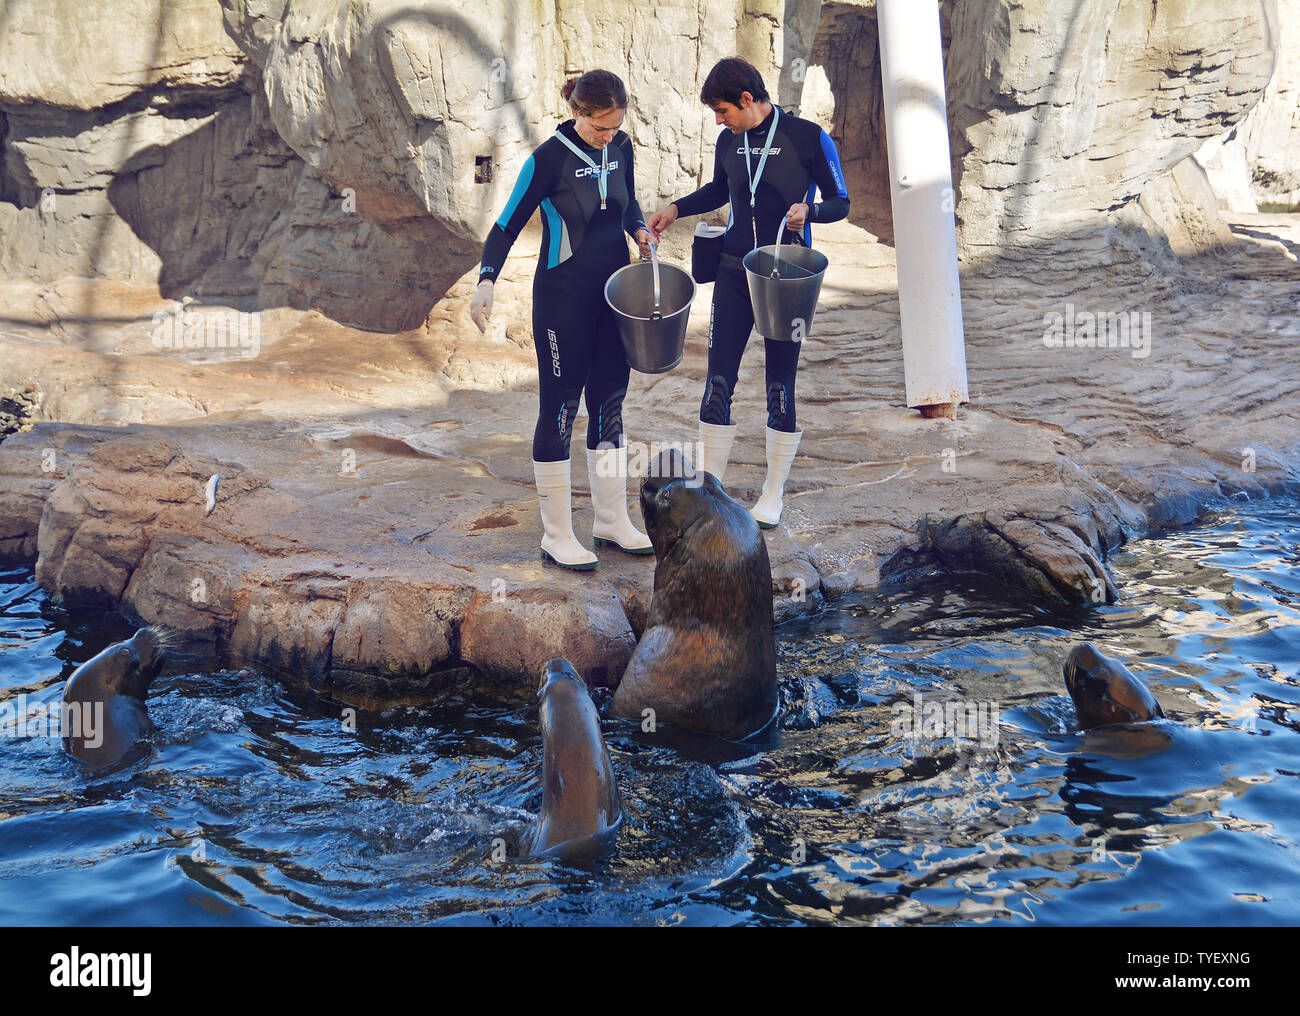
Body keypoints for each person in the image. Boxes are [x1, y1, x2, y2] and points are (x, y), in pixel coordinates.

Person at [647, 57, 849, 528]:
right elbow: (720, 190)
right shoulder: (728, 141)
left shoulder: (807, 138)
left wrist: (810, 212)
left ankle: (772, 494)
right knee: (718, 379)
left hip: (786, 275)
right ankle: (711, 494)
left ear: (746, 99)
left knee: (780, 382)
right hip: (734, 273)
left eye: (723, 111)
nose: (719, 121)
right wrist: (676, 208)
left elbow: (841, 203)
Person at [471, 70, 656, 570]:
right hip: (562, 300)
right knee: (560, 406)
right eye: (600, 129)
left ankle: (611, 520)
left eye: (615, 128)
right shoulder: (546, 160)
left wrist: (639, 229)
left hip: (614, 297)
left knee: (611, 402)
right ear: (578, 113)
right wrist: (487, 279)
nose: (608, 137)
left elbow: (628, 202)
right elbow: (506, 224)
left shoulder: (621, 148)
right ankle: (556, 533)